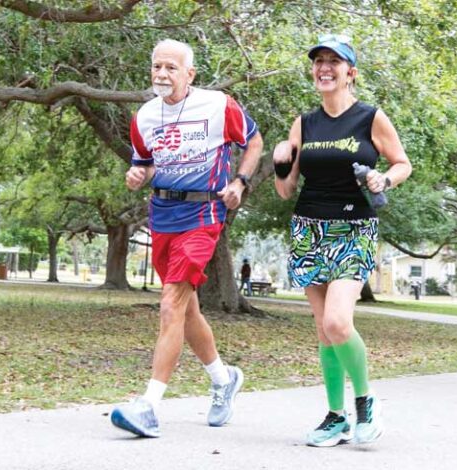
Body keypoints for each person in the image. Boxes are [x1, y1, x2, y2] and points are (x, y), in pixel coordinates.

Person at [110, 39, 263, 438]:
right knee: (186, 309)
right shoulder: (143, 116)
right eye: (156, 67)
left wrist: (240, 182)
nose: (162, 74)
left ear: (189, 74)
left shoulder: (217, 105)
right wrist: (135, 175)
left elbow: (254, 141)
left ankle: (149, 406)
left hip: (203, 213)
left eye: (171, 68)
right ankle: (223, 377)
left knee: (170, 303)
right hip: (162, 215)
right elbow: (143, 163)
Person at [272, 34, 412, 447]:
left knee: (337, 322)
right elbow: (286, 189)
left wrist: (384, 178)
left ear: (351, 72)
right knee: (322, 329)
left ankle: (366, 402)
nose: (324, 68)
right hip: (309, 228)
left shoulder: (370, 118)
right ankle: (336, 416)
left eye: (335, 61)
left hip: (353, 229)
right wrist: (281, 163)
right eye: (319, 61)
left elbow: (403, 162)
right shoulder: (304, 123)